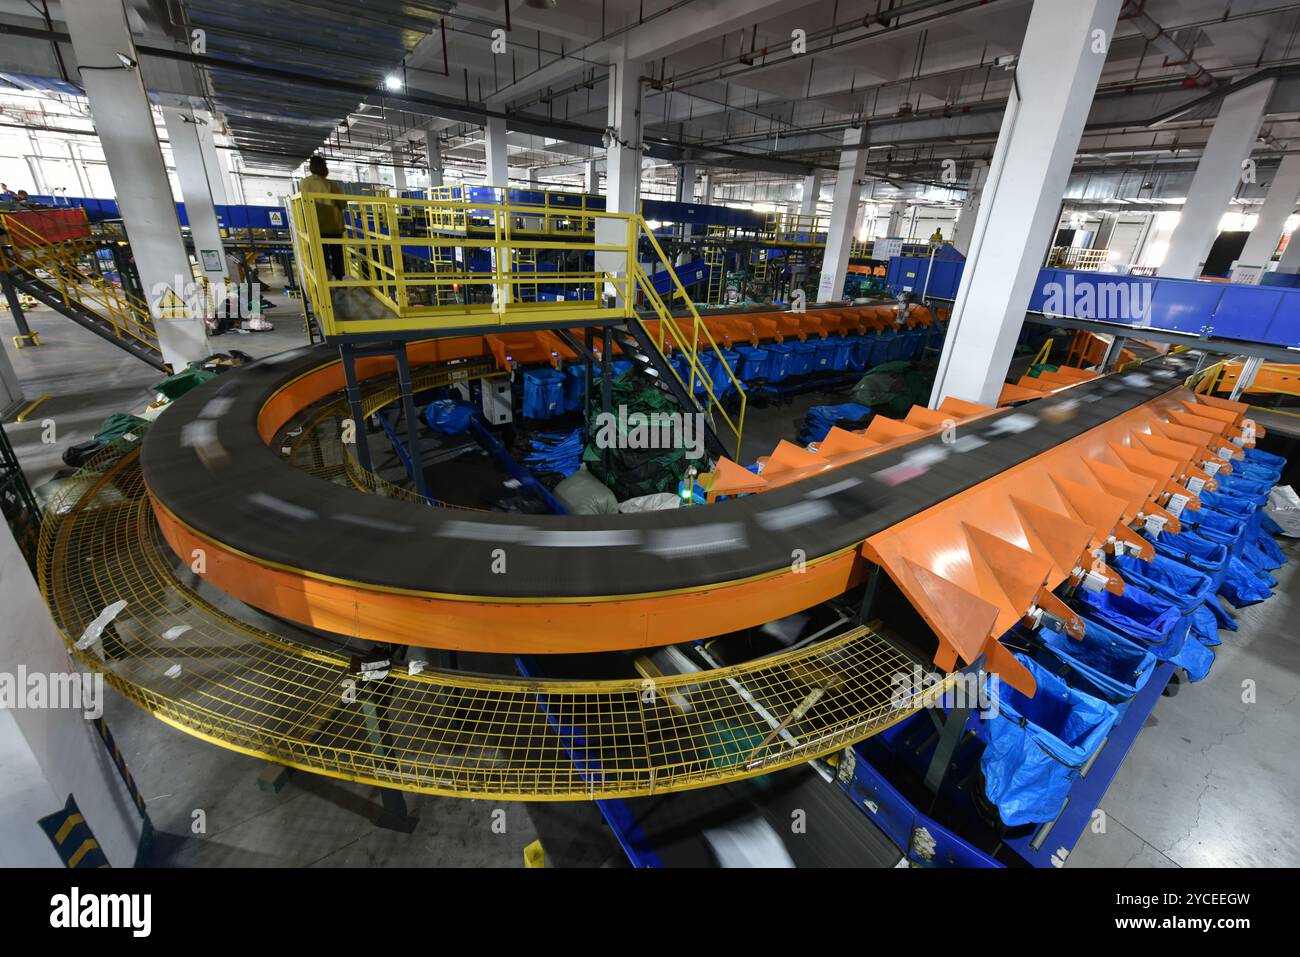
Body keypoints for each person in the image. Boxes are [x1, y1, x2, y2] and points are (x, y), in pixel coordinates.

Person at [300, 156, 346, 281]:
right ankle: (339, 279)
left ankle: (325, 279)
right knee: (337, 254)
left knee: (321, 255)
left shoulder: (304, 183)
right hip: (333, 226)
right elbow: (343, 203)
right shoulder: (329, 184)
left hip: (314, 226)